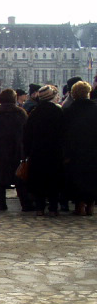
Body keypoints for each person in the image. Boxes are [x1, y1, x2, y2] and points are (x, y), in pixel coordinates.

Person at [0, 89, 31, 211]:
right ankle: (25, 205)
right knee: (19, 179)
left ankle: (1, 205)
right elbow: (27, 131)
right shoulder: (20, 113)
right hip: (16, 149)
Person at [23, 85, 65, 216]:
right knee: (53, 181)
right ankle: (53, 208)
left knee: (38, 181)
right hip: (54, 152)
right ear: (52, 97)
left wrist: (27, 152)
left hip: (37, 152)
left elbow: (27, 135)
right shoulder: (58, 112)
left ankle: (40, 208)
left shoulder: (34, 113)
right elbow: (64, 133)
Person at [62, 81, 97, 216]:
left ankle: (80, 205)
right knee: (92, 178)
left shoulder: (68, 111)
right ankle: (91, 205)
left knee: (77, 180)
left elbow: (64, 134)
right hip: (94, 152)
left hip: (75, 153)